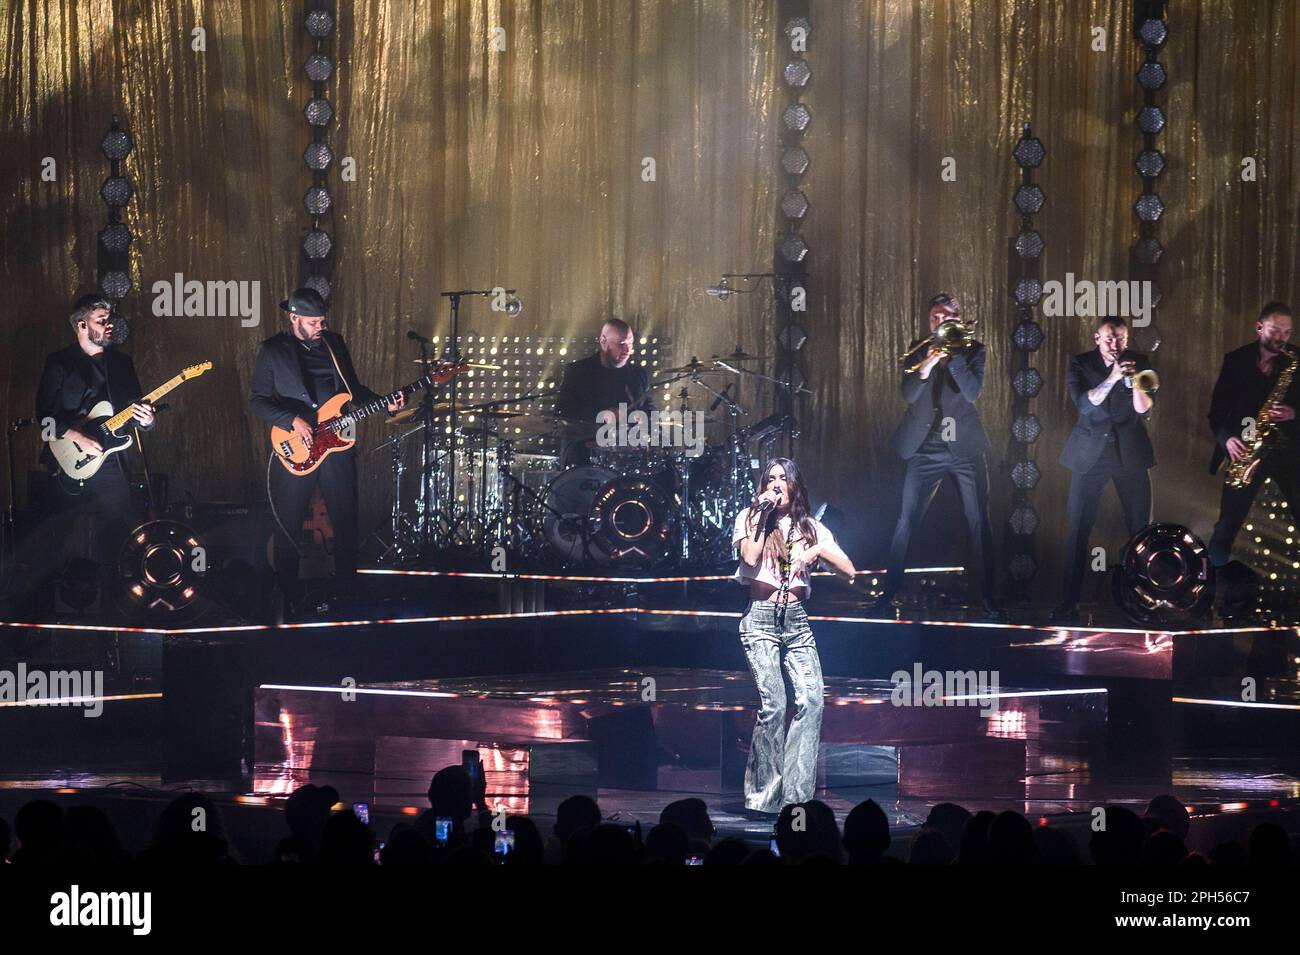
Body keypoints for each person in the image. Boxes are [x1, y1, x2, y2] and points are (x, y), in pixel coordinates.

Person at [249, 287, 403, 611]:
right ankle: (289, 594)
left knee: (345, 516)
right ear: (294, 319)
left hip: (336, 444)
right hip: (296, 445)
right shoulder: (273, 351)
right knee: (288, 521)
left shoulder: (334, 344)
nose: (321, 327)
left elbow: (352, 390)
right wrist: (292, 420)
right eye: (314, 322)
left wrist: (385, 404)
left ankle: (348, 589)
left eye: (322, 321)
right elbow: (258, 401)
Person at [733, 458, 855, 814]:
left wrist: (814, 550)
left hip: (797, 622)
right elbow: (751, 556)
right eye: (769, 479)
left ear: (795, 486)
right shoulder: (749, 517)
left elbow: (849, 570)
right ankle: (762, 799)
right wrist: (760, 516)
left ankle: (796, 799)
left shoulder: (811, 527)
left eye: (781, 479)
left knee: (812, 701)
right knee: (774, 706)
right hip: (760, 620)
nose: (775, 484)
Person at [873, 293, 1000, 618]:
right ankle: (888, 597)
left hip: (963, 447)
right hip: (925, 447)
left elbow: (972, 393)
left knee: (978, 521)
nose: (939, 322)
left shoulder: (975, 350)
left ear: (957, 319)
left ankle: (989, 600)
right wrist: (928, 363)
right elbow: (908, 394)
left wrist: (952, 358)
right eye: (934, 317)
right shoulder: (917, 348)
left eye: (945, 317)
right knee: (906, 521)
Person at [33, 294, 155, 599]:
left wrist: (147, 419)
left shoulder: (122, 363)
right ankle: (45, 605)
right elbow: (45, 419)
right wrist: (77, 436)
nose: (109, 325)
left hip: (110, 463)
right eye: (102, 320)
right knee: (55, 535)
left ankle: (115, 606)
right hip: (66, 461)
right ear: (81, 325)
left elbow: (134, 417)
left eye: (110, 319)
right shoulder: (60, 362)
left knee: (116, 534)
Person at [1051, 317, 1155, 623]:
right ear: (1097, 338)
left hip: (1130, 454)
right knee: (1078, 530)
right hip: (1090, 455)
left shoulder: (1142, 363)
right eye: (1110, 339)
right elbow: (1085, 404)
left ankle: (1141, 600)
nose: (1116, 345)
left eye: (1121, 339)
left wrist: (1135, 381)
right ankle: (1068, 602)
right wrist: (1111, 377)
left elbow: (1144, 409)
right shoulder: (1080, 364)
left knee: (1141, 531)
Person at [1206, 302, 1299, 569]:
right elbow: (1217, 412)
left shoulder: (1296, 362)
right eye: (1275, 330)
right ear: (1259, 328)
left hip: (1289, 452)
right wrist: (1227, 439)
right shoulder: (1235, 360)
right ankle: (1213, 588)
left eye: (1287, 332)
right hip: (1248, 450)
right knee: (1226, 525)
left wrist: (1294, 413)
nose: (1281, 338)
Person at [553, 318, 656, 467]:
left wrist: (642, 419)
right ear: (603, 341)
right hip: (583, 458)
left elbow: (651, 412)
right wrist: (601, 416)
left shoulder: (638, 375)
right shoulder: (578, 372)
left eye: (630, 343)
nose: (627, 350)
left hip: (628, 461)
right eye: (621, 344)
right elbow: (562, 416)